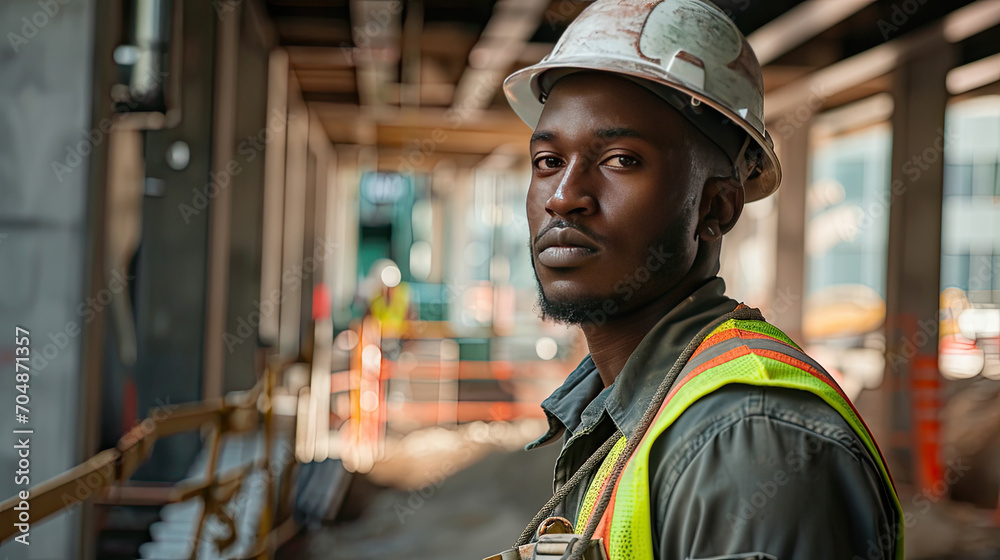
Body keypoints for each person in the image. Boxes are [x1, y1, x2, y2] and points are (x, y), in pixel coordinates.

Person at [490, 1, 904, 559]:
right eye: (547, 161)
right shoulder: (631, 408)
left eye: (619, 159)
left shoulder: (747, 436)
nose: (564, 196)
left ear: (717, 207)